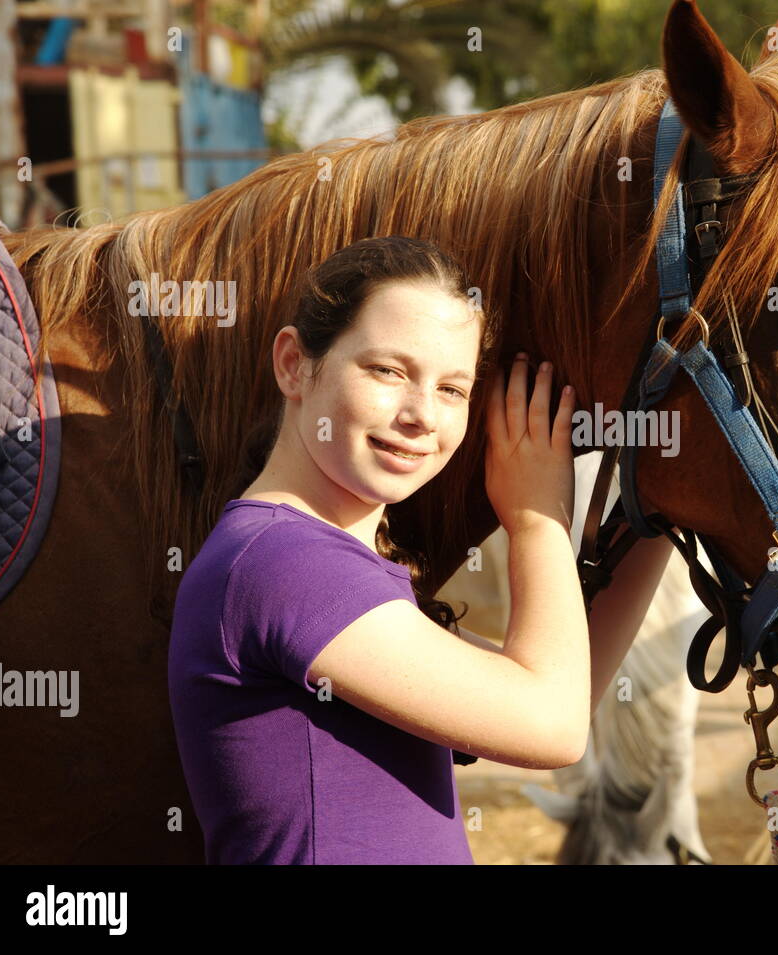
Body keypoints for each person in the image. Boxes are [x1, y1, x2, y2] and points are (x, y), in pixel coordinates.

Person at [167, 235, 675, 864]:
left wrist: (660, 518)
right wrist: (535, 517)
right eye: (388, 370)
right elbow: (553, 724)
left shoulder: (315, 565)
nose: (421, 416)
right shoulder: (285, 564)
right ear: (295, 363)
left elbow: (569, 684)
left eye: (453, 389)